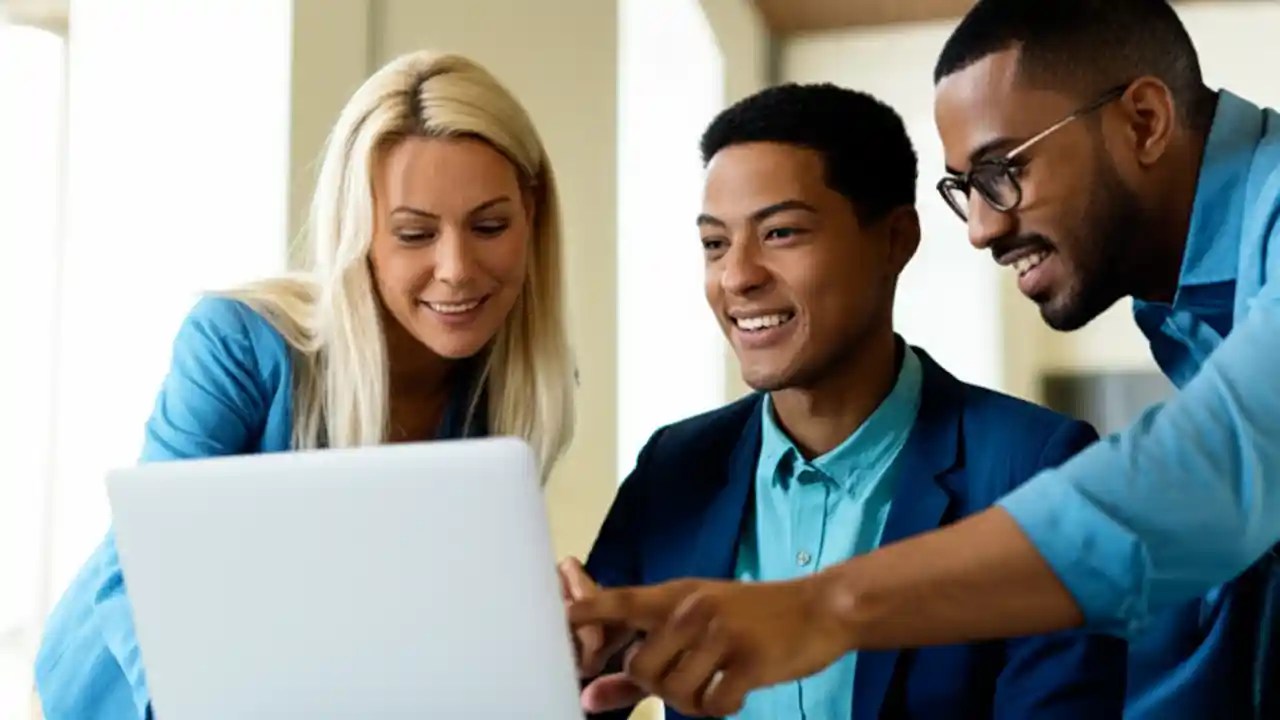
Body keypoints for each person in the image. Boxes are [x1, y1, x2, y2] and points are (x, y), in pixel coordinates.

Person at [568, 0, 1280, 716]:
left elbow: (1213, 475)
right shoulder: (1190, 306)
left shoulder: (1033, 452)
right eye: (967, 188)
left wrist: (820, 609)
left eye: (1004, 169)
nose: (980, 228)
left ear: (1145, 121)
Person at [34, 50, 576, 720]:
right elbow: (149, 577)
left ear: (533, 217)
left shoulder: (521, 386)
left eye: (490, 227)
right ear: (359, 233)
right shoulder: (238, 343)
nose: (457, 269)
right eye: (414, 234)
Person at [563, 82, 1126, 720]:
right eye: (715, 243)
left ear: (894, 240)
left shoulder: (1037, 469)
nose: (737, 276)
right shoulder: (673, 469)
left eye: (779, 232)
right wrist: (559, 653)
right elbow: (584, 691)